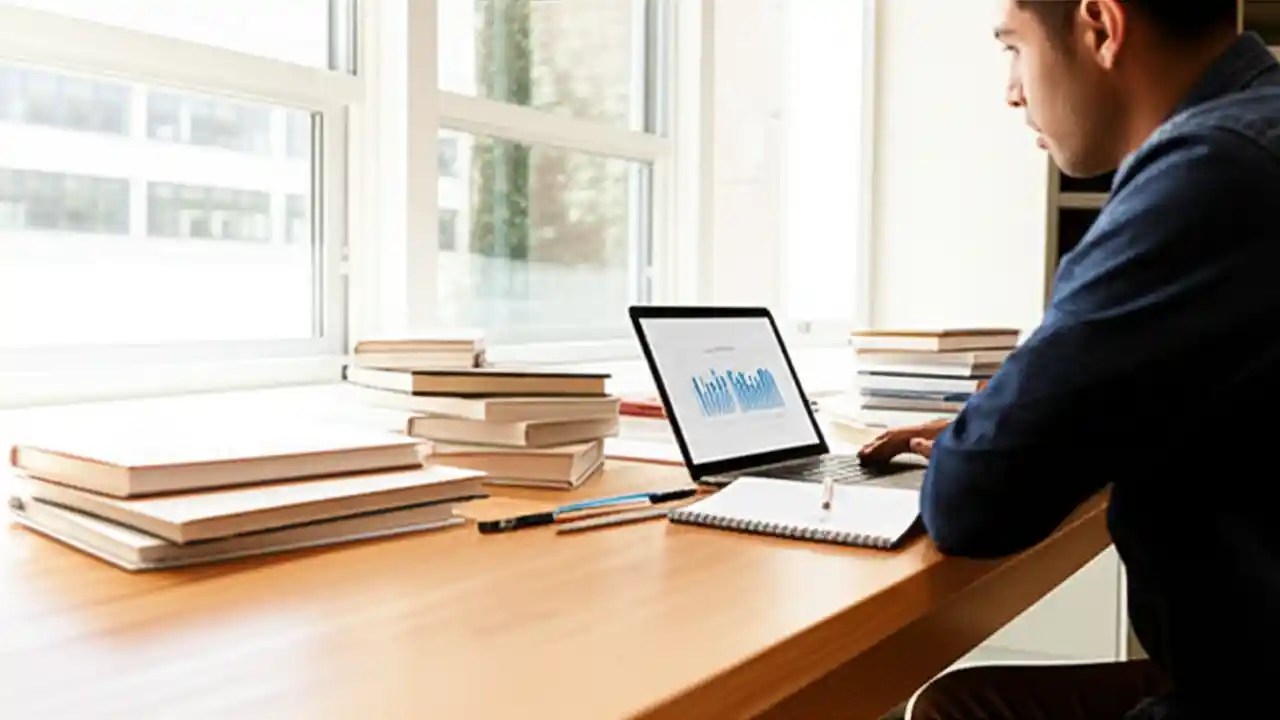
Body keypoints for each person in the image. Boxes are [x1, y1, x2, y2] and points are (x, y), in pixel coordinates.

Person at [857, 1, 1280, 719]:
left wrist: (1013, 428)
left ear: (1100, 27)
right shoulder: (1256, 128)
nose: (1012, 90)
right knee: (963, 704)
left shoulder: (1215, 169)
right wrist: (1028, 418)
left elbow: (973, 504)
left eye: (1014, 48)